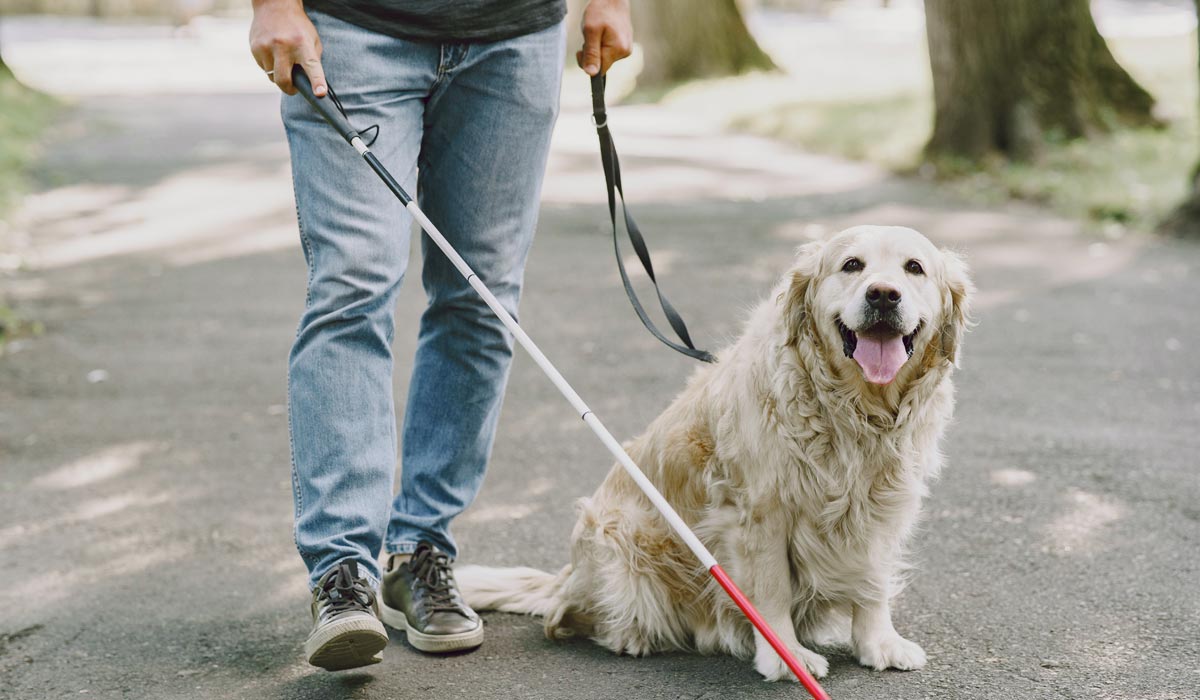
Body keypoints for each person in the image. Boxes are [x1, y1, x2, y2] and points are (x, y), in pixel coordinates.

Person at [249, 0, 632, 671]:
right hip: (354, 30)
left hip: (513, 37)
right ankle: (343, 573)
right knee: (352, 285)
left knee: (482, 300)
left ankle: (419, 552)